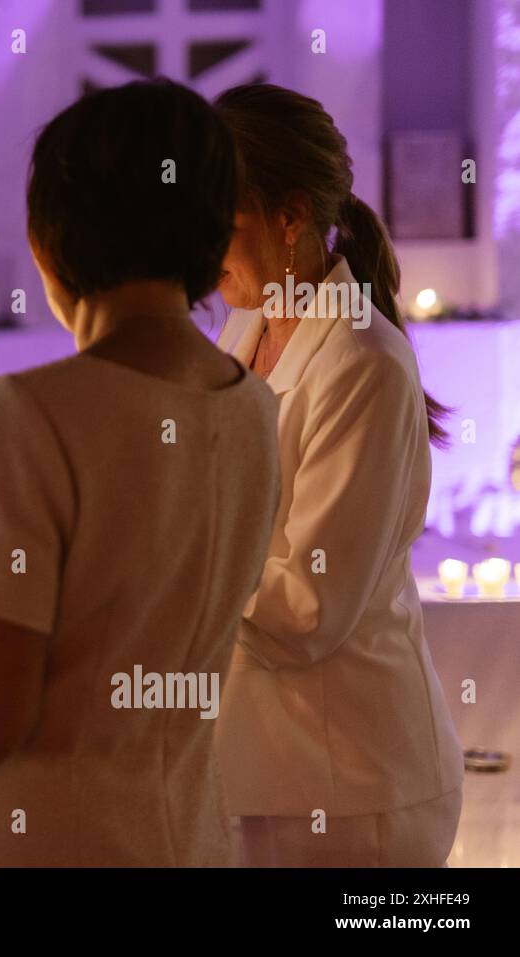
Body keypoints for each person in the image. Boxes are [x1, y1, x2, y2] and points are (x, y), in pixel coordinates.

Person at [0, 79, 282, 866]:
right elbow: (140, 552)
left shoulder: (33, 411)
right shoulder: (250, 403)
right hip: (188, 831)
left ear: (47, 240)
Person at [211, 83, 463, 867]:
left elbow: (307, 610)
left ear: (289, 218)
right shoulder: (245, 327)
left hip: (353, 785)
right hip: (261, 767)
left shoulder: (363, 364)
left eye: (223, 218)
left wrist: (174, 560)